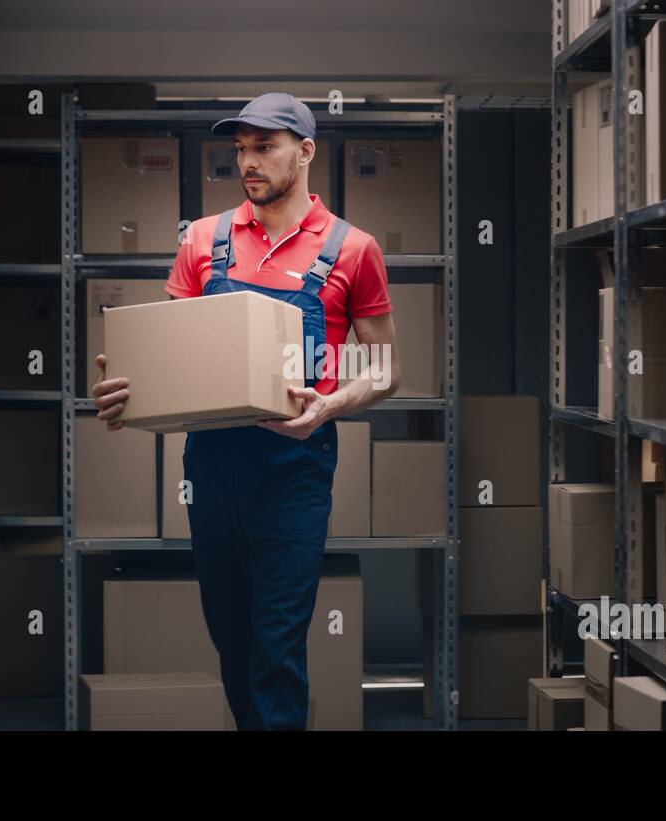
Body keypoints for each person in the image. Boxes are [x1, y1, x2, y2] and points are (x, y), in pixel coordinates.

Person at [91, 92, 402, 730]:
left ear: (306, 151)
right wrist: (129, 396)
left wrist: (330, 405)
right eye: (240, 150)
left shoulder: (351, 249)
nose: (248, 162)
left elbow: (387, 367)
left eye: (264, 147)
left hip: (295, 468)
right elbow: (171, 362)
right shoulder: (204, 242)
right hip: (212, 465)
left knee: (276, 649)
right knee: (232, 641)